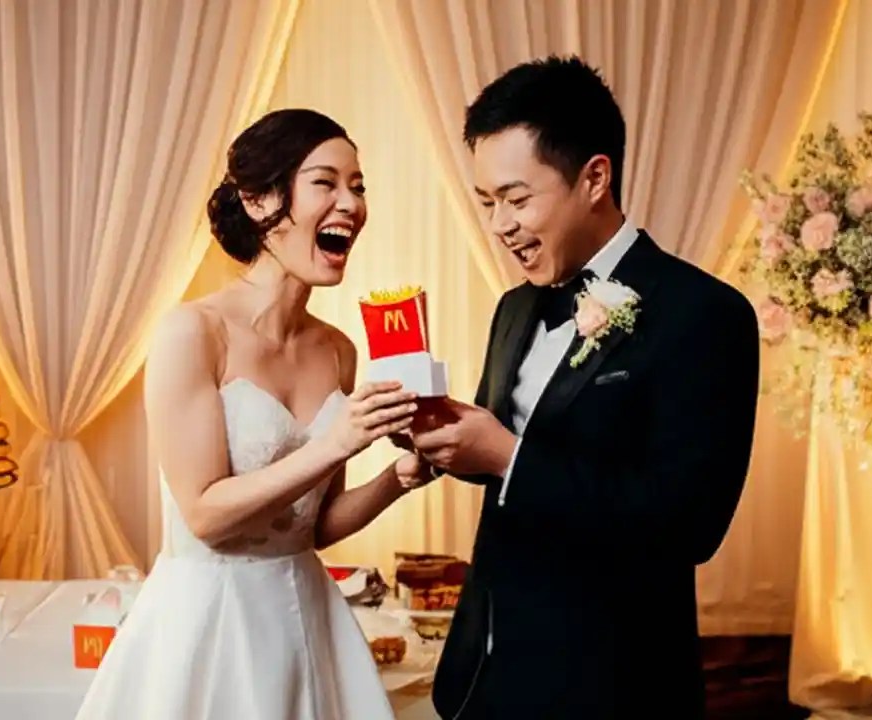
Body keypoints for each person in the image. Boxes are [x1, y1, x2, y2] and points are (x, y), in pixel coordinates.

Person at [404, 55, 761, 718]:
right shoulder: (514, 307)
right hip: (484, 674)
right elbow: (504, 457)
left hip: (611, 683)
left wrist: (507, 456)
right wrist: (442, 436)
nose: (500, 225)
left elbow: (689, 526)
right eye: (487, 203)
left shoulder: (704, 314)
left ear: (594, 177)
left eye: (516, 198)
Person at [74, 108, 434, 720]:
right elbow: (205, 514)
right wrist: (336, 442)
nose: (351, 203)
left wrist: (400, 477)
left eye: (358, 185)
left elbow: (314, 528)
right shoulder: (193, 331)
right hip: (210, 622)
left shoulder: (339, 349)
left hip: (307, 620)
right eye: (326, 183)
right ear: (261, 200)